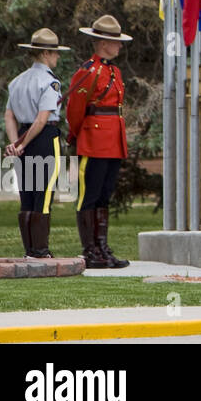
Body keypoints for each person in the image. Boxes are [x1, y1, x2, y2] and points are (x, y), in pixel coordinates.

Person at [65, 14, 133, 269]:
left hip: (113, 140)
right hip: (93, 140)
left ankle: (103, 249)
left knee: (104, 196)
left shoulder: (113, 71)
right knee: (89, 196)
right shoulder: (88, 71)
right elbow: (75, 110)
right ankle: (90, 251)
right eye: (116, 42)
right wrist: (76, 136)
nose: (119, 46)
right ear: (103, 43)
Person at [3, 28, 72, 258]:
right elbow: (43, 119)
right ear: (45, 53)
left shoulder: (17, 81)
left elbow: (9, 116)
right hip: (42, 138)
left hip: (22, 134)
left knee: (28, 195)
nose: (57, 57)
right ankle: (40, 251)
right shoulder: (50, 82)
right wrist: (24, 143)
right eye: (54, 53)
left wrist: (16, 143)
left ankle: (29, 250)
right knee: (43, 194)